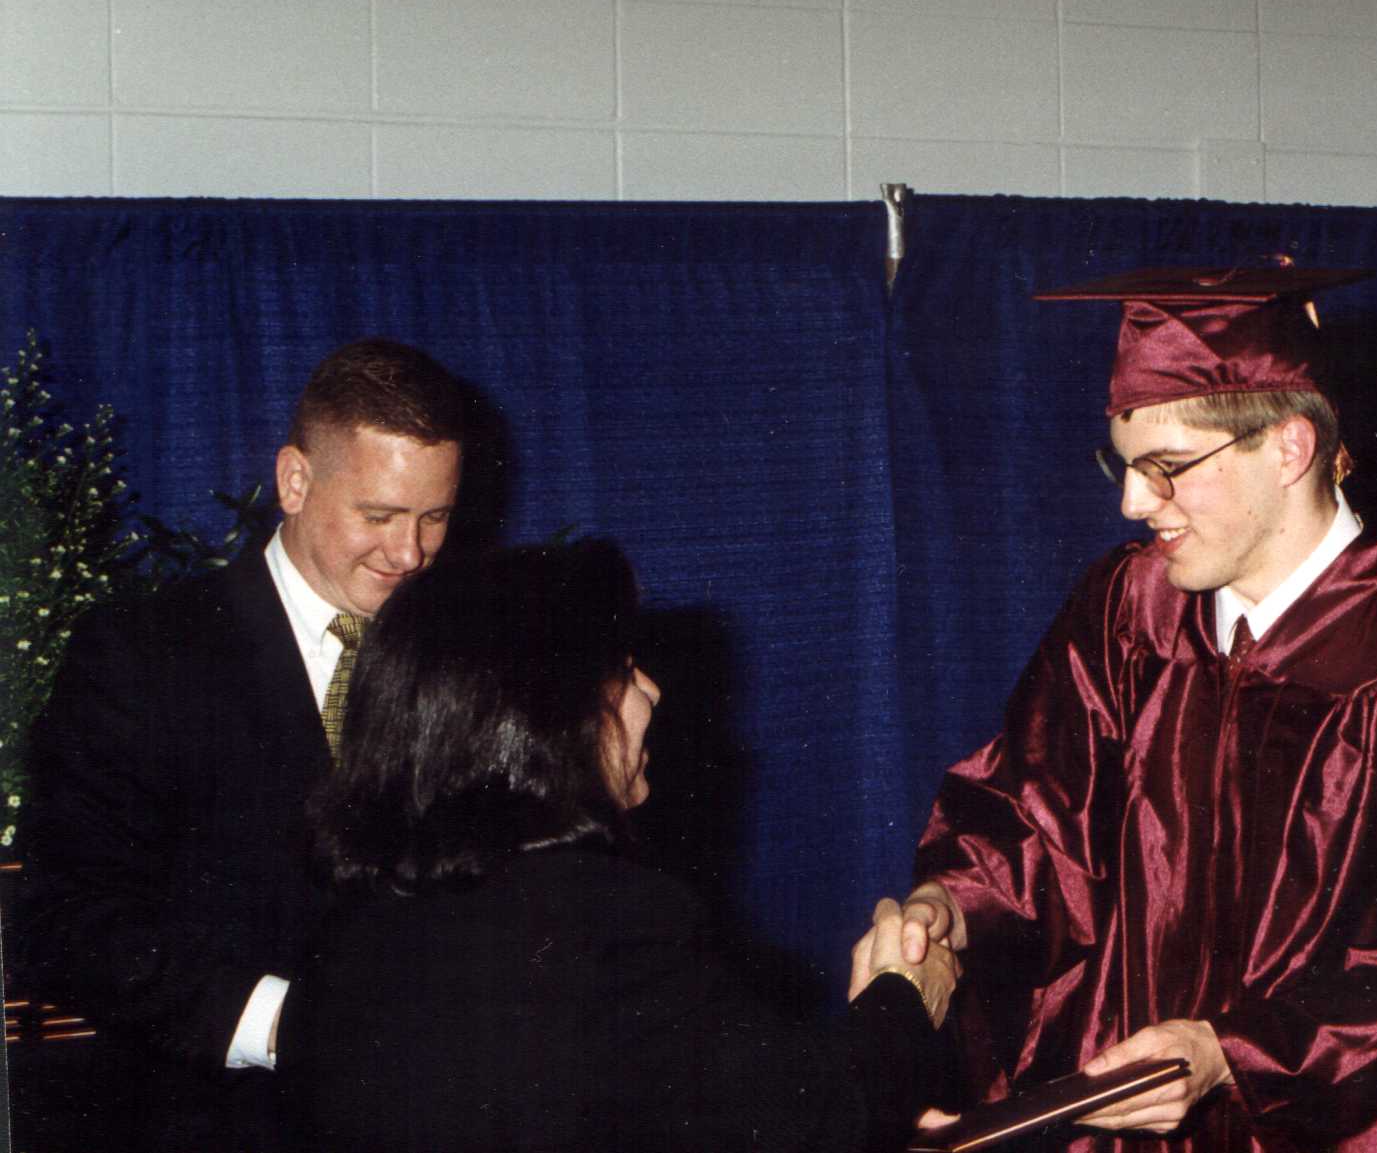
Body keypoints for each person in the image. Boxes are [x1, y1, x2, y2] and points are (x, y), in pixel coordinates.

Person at [896, 266, 1377, 1150]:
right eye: (1124, 466)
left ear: (1288, 448)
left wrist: (1230, 1054)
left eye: (1167, 469)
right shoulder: (1130, 611)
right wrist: (949, 903)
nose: (1133, 502)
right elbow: (1035, 818)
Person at [281, 540, 956, 1152]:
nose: (652, 691)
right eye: (625, 669)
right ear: (550, 714)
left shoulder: (343, 942)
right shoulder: (607, 921)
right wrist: (903, 995)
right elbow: (813, 1117)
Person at [19, 338, 467, 1150]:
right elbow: (66, 921)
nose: (410, 554)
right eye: (380, 516)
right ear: (294, 480)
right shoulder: (145, 655)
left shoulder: (466, 659)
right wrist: (287, 1023)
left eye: (434, 517)